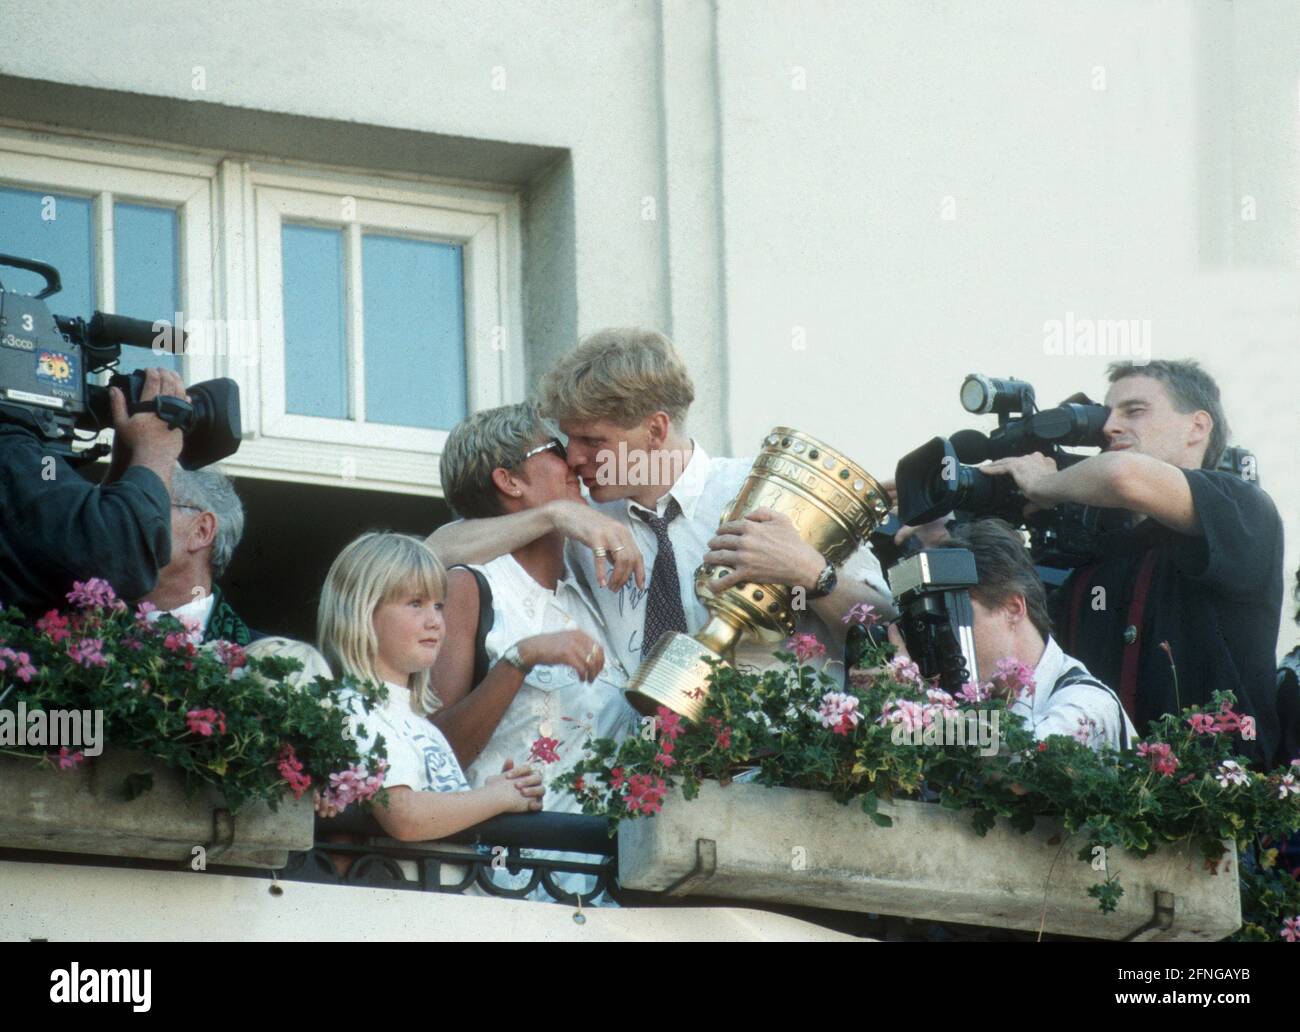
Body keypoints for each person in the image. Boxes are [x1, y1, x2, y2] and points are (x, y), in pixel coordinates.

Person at [428, 328, 895, 682]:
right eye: (569, 440)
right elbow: (433, 554)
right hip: (647, 791)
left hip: (778, 789)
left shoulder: (769, 490)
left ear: (654, 430)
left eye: (593, 440)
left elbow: (891, 636)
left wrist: (812, 574)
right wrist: (554, 514)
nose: (572, 458)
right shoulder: (586, 525)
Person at [977, 360, 1284, 765]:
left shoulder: (1243, 508)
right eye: (1108, 414)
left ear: (1197, 426)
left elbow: (1123, 476)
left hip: (1216, 807)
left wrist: (1045, 483)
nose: (1108, 428)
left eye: (1134, 411)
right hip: (1101, 810)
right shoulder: (1101, 552)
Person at [432, 402, 638, 902]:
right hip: (504, 886)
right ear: (509, 480)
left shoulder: (588, 585)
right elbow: (437, 751)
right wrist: (520, 659)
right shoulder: (472, 586)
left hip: (599, 891)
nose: (576, 464)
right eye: (557, 449)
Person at [314, 532, 543, 843]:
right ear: (363, 612)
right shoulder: (354, 708)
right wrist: (496, 797)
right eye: (415, 603)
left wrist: (500, 790)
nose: (435, 620)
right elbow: (405, 817)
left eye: (438, 605)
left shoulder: (417, 720)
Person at [924, 518, 1136, 750]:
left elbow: (1024, 764)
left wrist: (913, 709)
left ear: (1014, 608)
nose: (946, 638)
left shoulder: (1087, 704)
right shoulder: (982, 708)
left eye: (956, 618)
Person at [0, 367, 185, 614]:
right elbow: (117, 560)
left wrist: (130, 456)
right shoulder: (19, 454)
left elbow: (67, 544)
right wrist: (156, 452)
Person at [140, 466, 260, 645]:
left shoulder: (261, 659)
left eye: (146, 506)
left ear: (201, 531)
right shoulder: (88, 632)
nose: (124, 519)